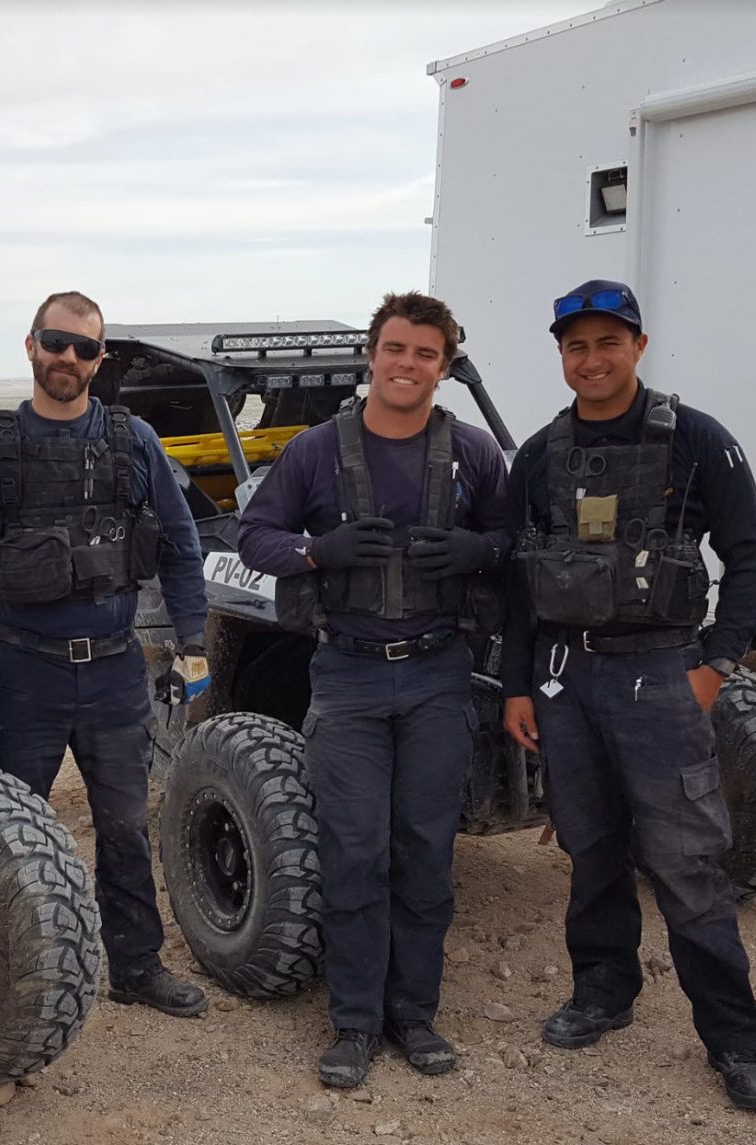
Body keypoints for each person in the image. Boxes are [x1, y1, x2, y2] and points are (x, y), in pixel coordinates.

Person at [500, 279, 756, 1111]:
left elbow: (749, 554)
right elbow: (518, 585)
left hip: (661, 672)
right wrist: (519, 685)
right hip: (565, 677)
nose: (592, 360)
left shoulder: (696, 440)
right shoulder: (541, 455)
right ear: (561, 356)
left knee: (688, 860)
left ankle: (734, 1039)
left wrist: (717, 664)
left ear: (639, 346)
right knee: (590, 847)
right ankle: (603, 992)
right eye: (575, 346)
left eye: (607, 343)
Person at [236, 291, 513, 1089]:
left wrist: (473, 551)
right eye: (396, 348)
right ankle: (354, 1022)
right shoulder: (318, 451)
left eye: (427, 354)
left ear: (444, 365)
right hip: (350, 675)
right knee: (354, 851)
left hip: (437, 671)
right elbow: (256, 536)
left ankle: (414, 1016)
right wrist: (316, 552)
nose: (408, 365)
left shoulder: (472, 452)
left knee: (425, 849)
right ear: (372, 354)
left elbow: (510, 541)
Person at [0, 290, 212, 1017]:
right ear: (31, 345)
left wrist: (195, 638)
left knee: (123, 827)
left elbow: (179, 541)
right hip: (23, 670)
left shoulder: (133, 439)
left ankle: (137, 968)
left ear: (99, 358)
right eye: (56, 342)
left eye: (84, 348)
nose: (68, 358)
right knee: (0, 831)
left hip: (114, 668)